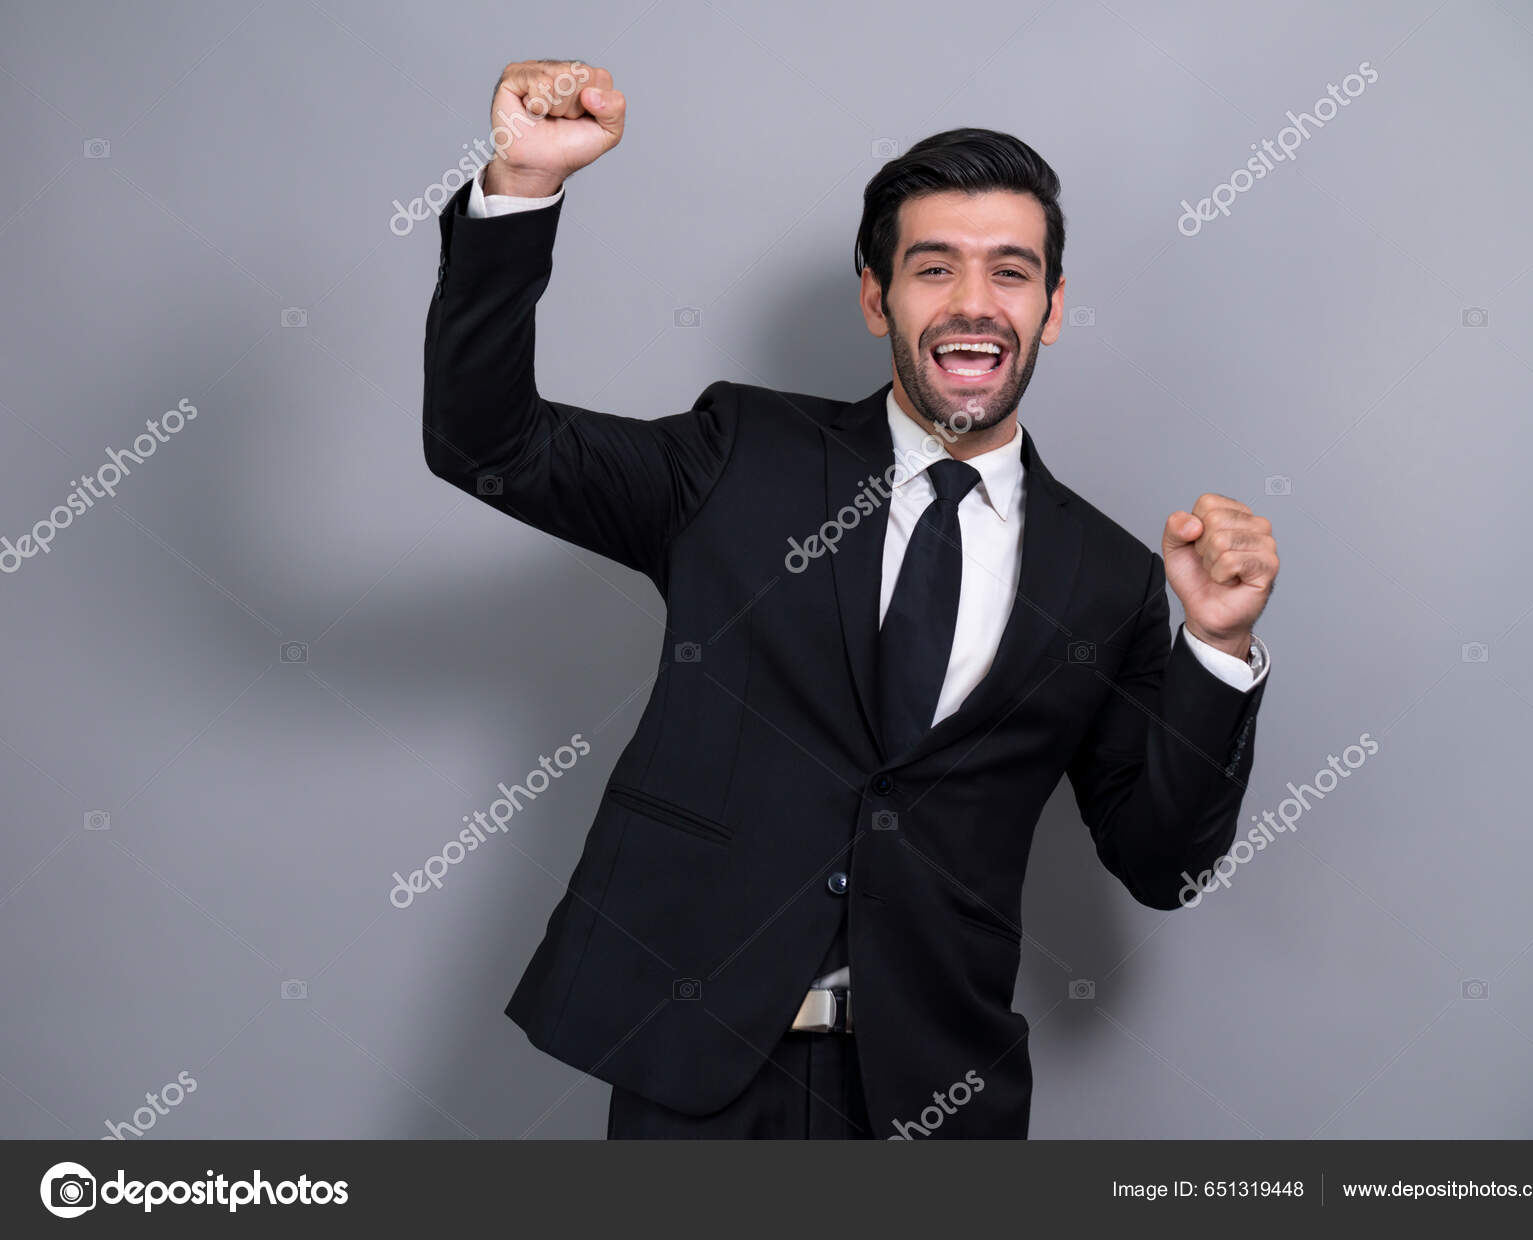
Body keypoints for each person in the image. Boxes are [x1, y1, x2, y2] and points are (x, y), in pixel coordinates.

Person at [422, 60, 1277, 1139]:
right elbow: (485, 442)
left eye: (1010, 273)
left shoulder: (1104, 577)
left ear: (1051, 309)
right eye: (934, 269)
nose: (975, 304)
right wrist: (523, 187)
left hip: (935, 1098)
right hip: (695, 1072)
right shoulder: (742, 457)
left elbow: (1163, 861)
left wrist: (1216, 643)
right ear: (878, 295)